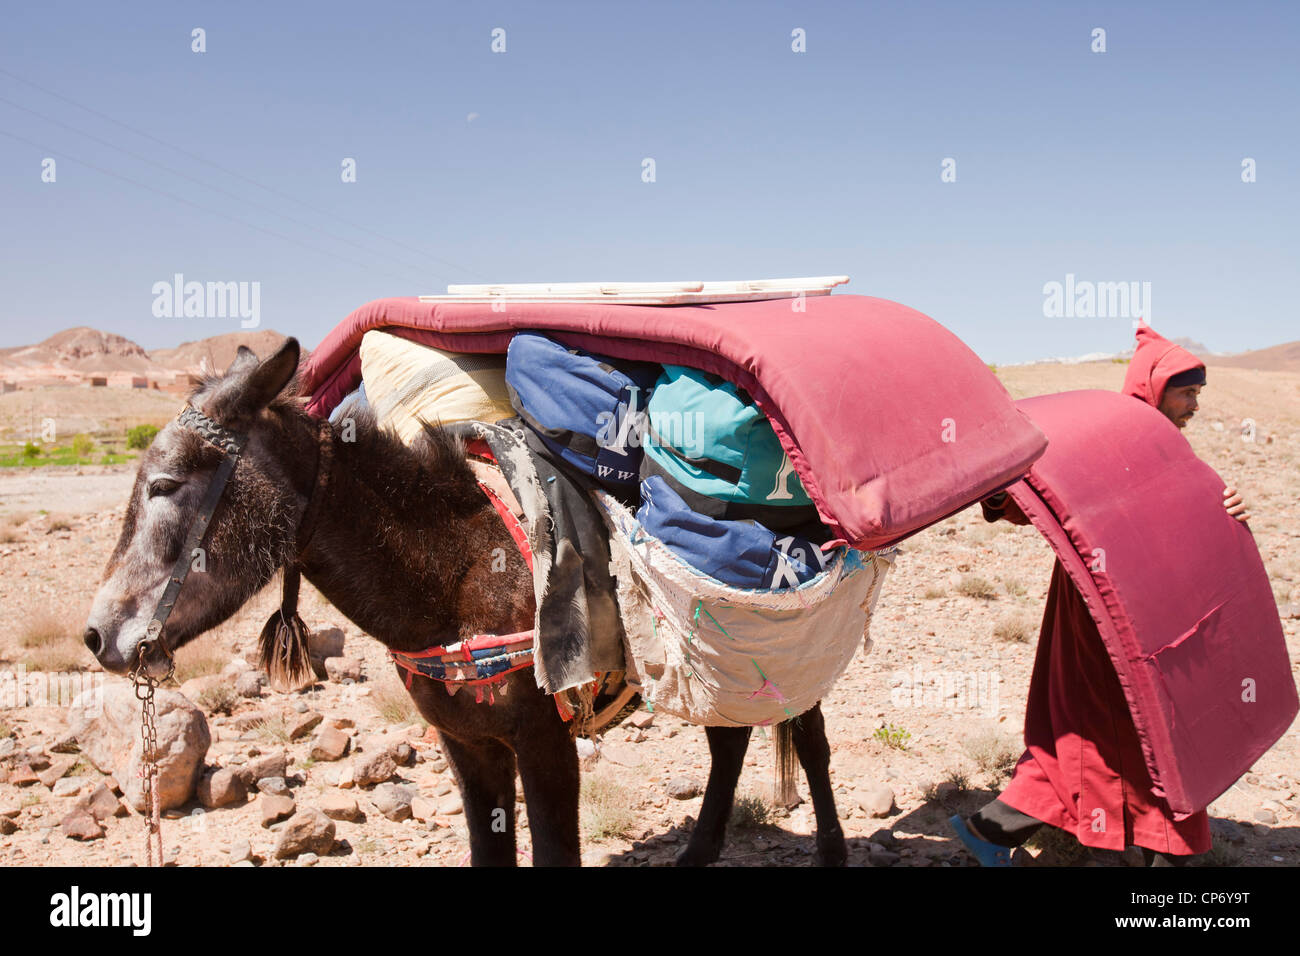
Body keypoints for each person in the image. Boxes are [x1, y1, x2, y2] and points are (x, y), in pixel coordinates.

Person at [950, 325, 1249, 867]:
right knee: (1111, 725)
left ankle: (1011, 831)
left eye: (1198, 394)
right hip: (1099, 609)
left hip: (1154, 610)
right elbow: (1028, 493)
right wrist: (999, 478)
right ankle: (1021, 832)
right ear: (1156, 389)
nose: (1194, 405)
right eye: (1187, 393)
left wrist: (1224, 507)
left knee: (1137, 726)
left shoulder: (1167, 443)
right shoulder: (1103, 433)